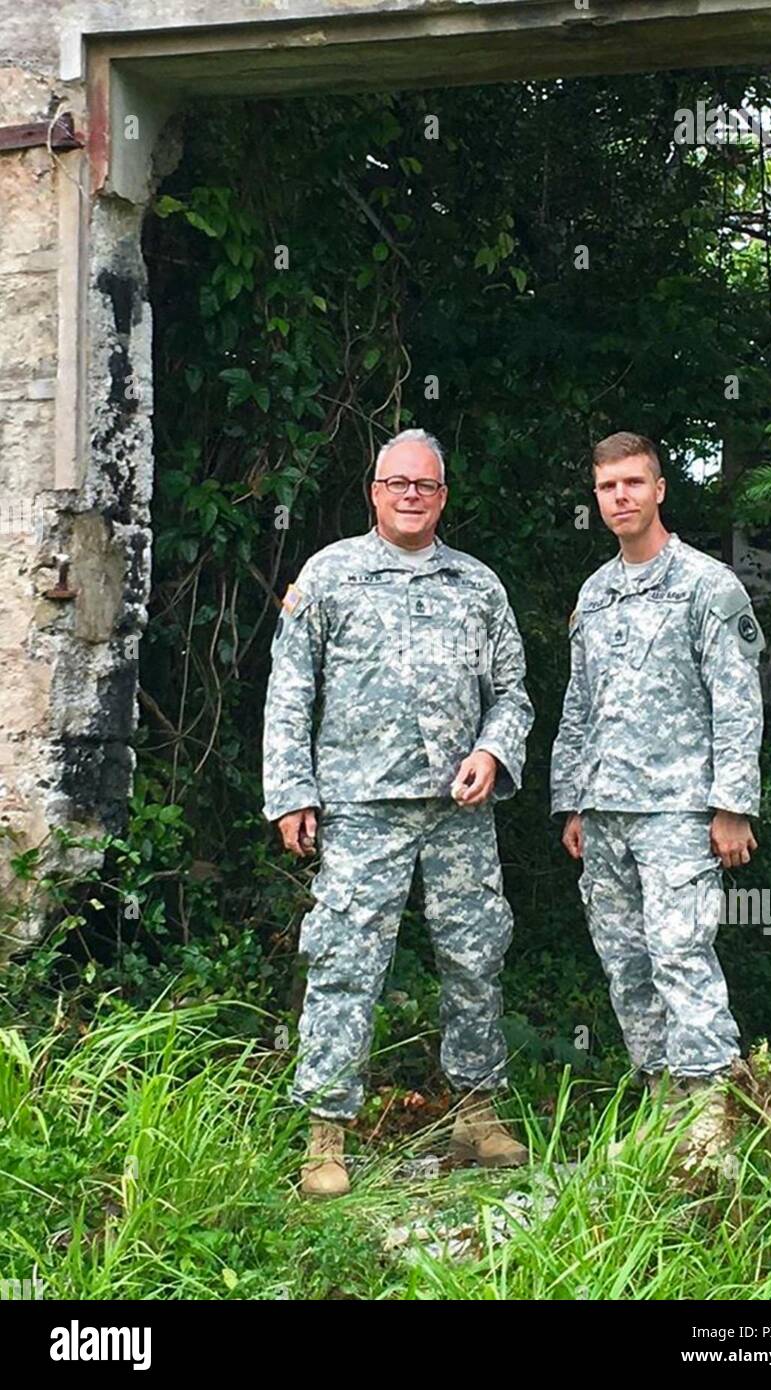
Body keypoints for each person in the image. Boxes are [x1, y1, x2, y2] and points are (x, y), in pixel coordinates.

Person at [263, 428, 534, 1196]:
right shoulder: (329, 575)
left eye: (425, 484)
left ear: (443, 496)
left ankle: (476, 1115)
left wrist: (492, 750)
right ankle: (325, 1135)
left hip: (458, 809)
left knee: (477, 957)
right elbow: (290, 691)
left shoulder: (478, 586)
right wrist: (292, 792)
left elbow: (513, 693)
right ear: (374, 492)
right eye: (396, 484)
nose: (410, 494)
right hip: (359, 806)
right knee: (346, 963)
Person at [550, 431, 765, 1164]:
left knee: (680, 953)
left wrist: (731, 804)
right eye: (608, 487)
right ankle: (662, 1103)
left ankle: (712, 1110)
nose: (620, 498)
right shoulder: (595, 593)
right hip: (606, 814)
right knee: (626, 964)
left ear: (660, 488)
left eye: (633, 483)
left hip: (678, 810)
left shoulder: (708, 585)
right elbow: (579, 705)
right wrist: (572, 801)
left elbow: (738, 701)